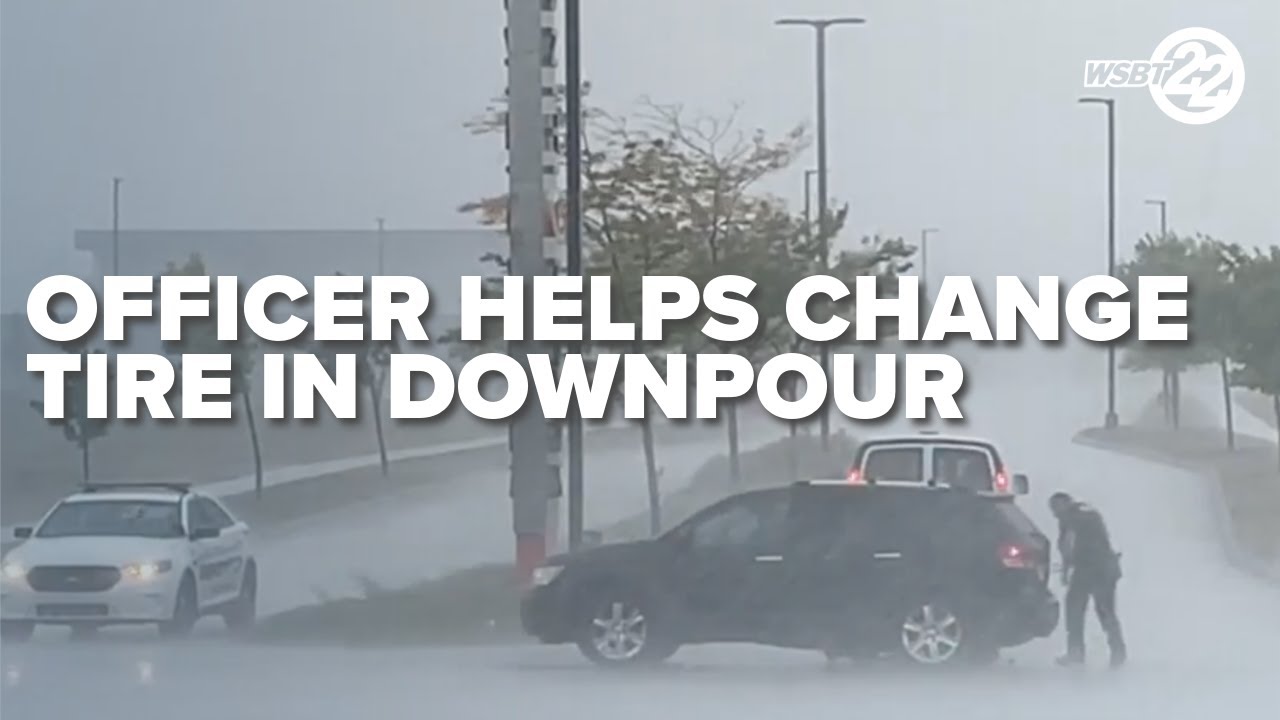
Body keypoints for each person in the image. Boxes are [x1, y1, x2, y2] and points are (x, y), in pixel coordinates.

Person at [1049, 491, 1127, 668]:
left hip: (1097, 569)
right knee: (1090, 609)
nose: (1054, 513)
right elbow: (1069, 548)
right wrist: (1067, 569)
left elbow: (1068, 546)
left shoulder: (1077, 517)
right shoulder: (1076, 516)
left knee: (1095, 610)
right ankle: (1113, 651)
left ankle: (1106, 652)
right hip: (1093, 568)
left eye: (1055, 508)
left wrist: (1067, 568)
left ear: (1065, 504)